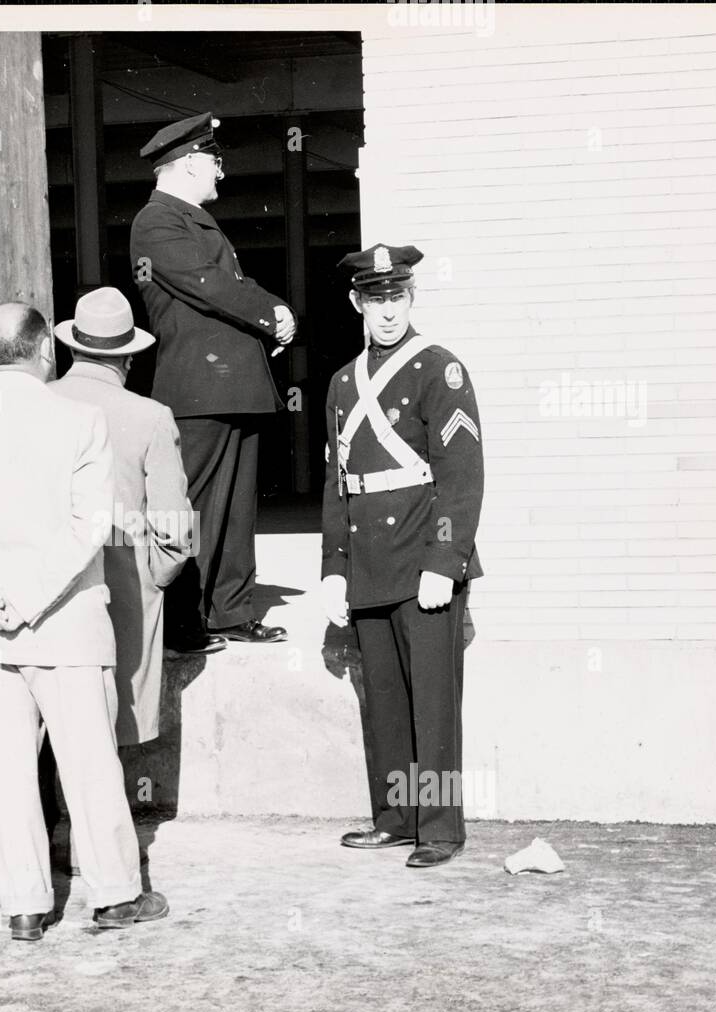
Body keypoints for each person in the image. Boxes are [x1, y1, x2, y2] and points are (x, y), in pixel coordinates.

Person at [0, 303, 168, 939]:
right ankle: (115, 897)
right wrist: (24, 593)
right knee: (90, 765)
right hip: (65, 625)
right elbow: (89, 526)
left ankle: (23, 906)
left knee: (4, 771)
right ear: (46, 349)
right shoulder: (81, 421)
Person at [321, 245, 485, 868]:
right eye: (375, 299)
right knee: (385, 702)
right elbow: (341, 481)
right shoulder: (341, 383)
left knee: (433, 704)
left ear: (411, 299)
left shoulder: (438, 369)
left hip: (423, 561)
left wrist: (445, 561)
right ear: (357, 303)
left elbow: (461, 475)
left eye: (397, 298)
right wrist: (335, 568)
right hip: (368, 563)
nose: (387, 311)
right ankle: (396, 818)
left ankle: (440, 828)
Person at [129, 110, 295, 653]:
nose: (221, 174)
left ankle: (230, 611)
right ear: (188, 164)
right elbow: (210, 286)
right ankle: (182, 623)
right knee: (193, 509)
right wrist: (270, 312)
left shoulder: (189, 219)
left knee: (236, 505)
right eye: (214, 162)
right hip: (199, 390)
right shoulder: (156, 222)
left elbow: (218, 289)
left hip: (228, 387)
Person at [50, 286, 193, 746]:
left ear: (73, 346)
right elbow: (174, 530)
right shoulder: (150, 416)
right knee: (114, 715)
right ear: (128, 359)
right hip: (123, 575)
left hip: (48, 577)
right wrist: (153, 576)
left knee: (55, 704)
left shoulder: (40, 403)